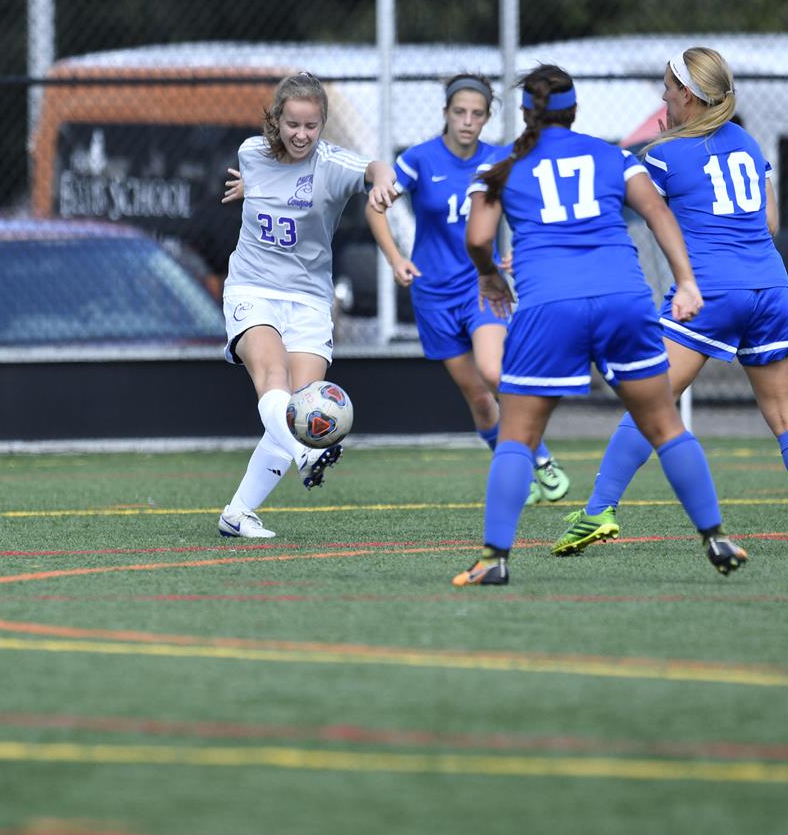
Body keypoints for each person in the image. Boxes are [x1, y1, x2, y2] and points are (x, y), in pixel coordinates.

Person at [454, 64, 747, 586]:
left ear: (525, 112)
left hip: (551, 307)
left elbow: (478, 238)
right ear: (574, 111)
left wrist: (491, 277)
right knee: (665, 425)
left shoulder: (500, 167)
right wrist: (686, 282)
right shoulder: (615, 157)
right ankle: (715, 536)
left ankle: (494, 559)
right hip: (623, 300)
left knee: (517, 437)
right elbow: (659, 216)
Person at [554, 48, 788, 557]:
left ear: (687, 95)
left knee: (649, 399)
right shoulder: (747, 142)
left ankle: (599, 509)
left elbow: (627, 214)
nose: (662, 96)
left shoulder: (665, 154)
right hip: (770, 288)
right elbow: (770, 223)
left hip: (711, 291)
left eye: (668, 88)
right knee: (787, 413)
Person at [369, 73, 570, 505]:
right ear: (445, 113)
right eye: (459, 112)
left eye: (477, 114)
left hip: (482, 287)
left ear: (487, 118)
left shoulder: (499, 159)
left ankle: (540, 457)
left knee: (495, 373)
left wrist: (520, 249)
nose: (467, 121)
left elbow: (535, 206)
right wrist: (395, 258)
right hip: (432, 297)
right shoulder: (420, 159)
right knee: (479, 399)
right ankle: (519, 472)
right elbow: (375, 207)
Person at [215, 72, 399, 539]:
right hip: (253, 289)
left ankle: (238, 513)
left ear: (323, 124)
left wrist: (384, 182)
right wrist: (252, 191)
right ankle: (308, 454)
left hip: (309, 300)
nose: (301, 135)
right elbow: (267, 180)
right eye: (292, 124)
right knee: (273, 380)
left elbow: (376, 168)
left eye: (311, 126)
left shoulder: (332, 165)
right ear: (276, 121)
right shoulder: (251, 153)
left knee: (298, 406)